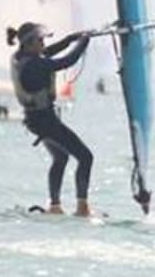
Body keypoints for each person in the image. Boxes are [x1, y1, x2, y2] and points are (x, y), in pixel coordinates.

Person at [9, 22, 94, 216]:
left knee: (61, 157)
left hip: (35, 121)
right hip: (46, 121)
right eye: (40, 40)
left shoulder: (21, 57)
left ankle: (55, 207)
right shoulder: (36, 64)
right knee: (86, 157)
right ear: (29, 44)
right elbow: (66, 61)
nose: (44, 43)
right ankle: (82, 208)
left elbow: (50, 51)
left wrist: (71, 38)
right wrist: (83, 42)